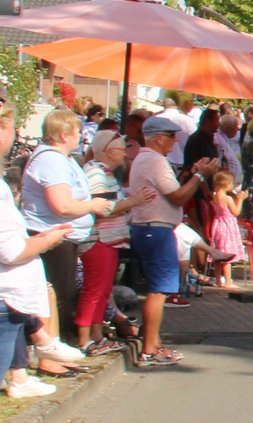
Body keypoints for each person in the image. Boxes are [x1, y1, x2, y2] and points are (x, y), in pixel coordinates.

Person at [0, 102, 86, 402]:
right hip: (13, 278)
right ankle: (45, 349)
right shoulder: (50, 161)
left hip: (14, 287)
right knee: (53, 296)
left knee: (30, 305)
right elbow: (12, 250)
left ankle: (35, 355)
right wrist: (49, 239)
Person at [128, 115, 216, 367]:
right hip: (155, 229)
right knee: (159, 291)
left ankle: (152, 343)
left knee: (160, 289)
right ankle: (149, 349)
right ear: (158, 139)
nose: (174, 141)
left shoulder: (148, 159)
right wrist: (199, 177)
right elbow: (177, 196)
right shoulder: (154, 161)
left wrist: (193, 172)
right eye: (170, 136)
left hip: (150, 227)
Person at [20, 109, 111, 348]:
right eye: (77, 131)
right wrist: (92, 205)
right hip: (52, 235)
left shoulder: (63, 159)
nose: (81, 136)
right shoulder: (51, 160)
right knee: (57, 295)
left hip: (62, 235)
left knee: (61, 293)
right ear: (63, 135)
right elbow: (61, 205)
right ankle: (50, 347)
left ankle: (54, 345)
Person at [78, 129, 147, 353]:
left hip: (109, 239)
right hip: (99, 239)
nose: (125, 154)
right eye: (121, 148)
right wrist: (134, 201)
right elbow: (103, 209)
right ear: (108, 151)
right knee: (95, 289)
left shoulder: (104, 173)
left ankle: (96, 335)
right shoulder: (96, 174)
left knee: (103, 289)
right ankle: (84, 338)